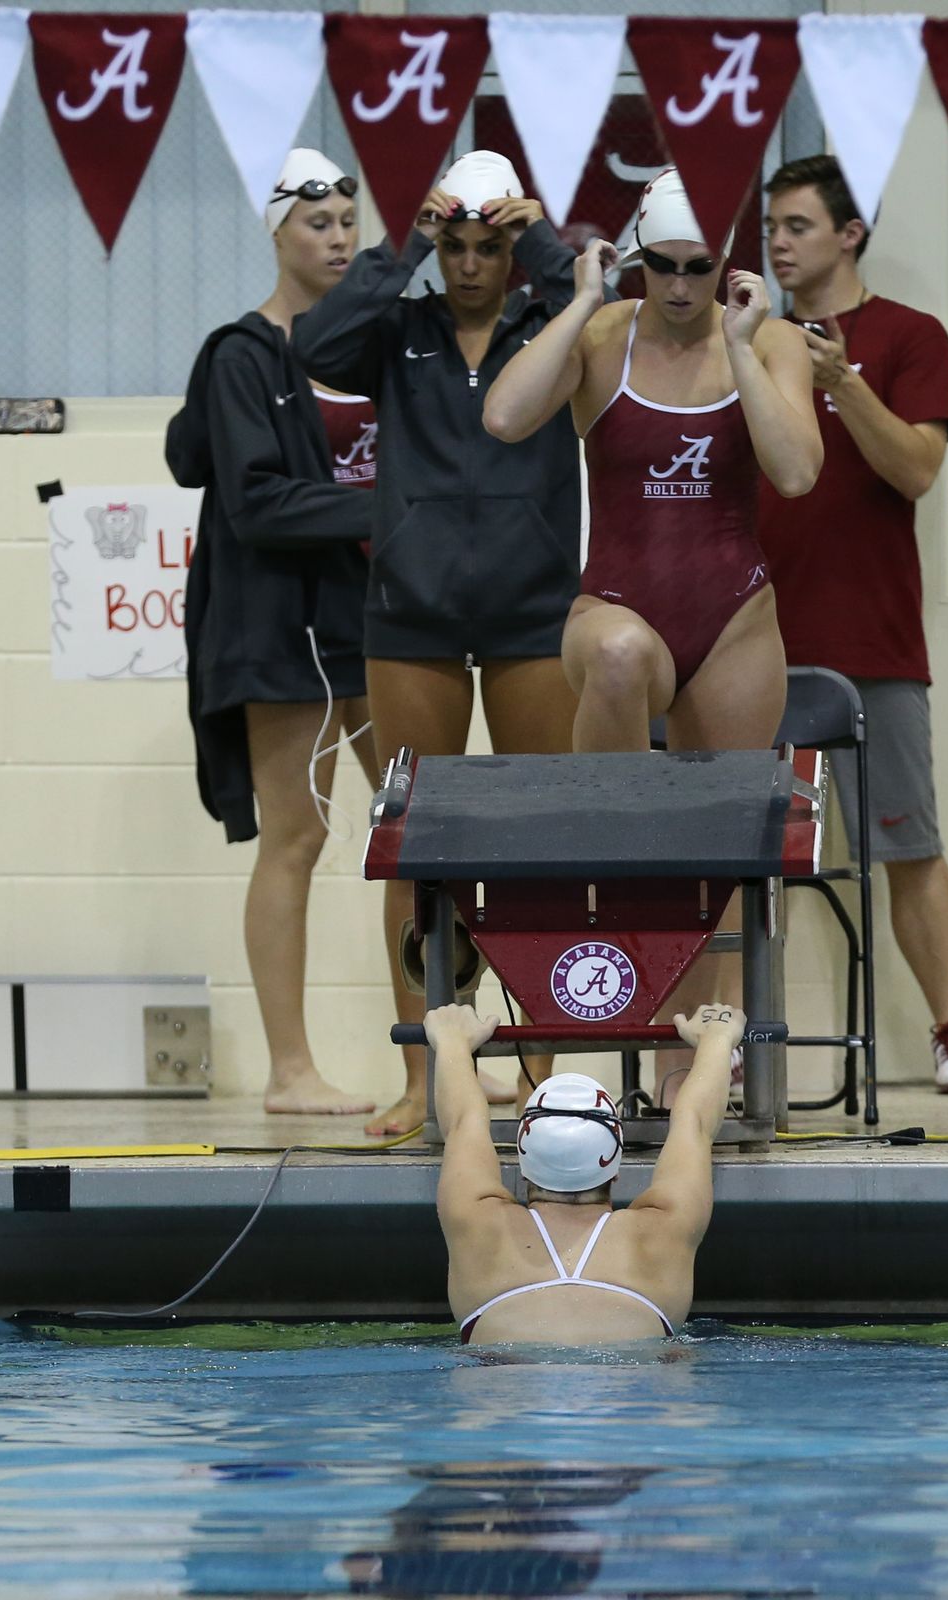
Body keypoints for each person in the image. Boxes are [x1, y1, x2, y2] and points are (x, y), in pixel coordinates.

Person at [483, 168, 820, 1100]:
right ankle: (616, 892)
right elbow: (506, 416)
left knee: (721, 853)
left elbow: (794, 473)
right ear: (637, 261)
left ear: (727, 265)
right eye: (660, 268)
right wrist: (584, 295)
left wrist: (745, 347)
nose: (677, 288)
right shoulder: (601, 335)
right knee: (625, 666)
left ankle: (686, 1064)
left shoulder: (776, 339)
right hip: (618, 607)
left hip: (735, 613)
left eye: (697, 268)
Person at [294, 151, 589, 1137]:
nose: (467, 265)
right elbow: (313, 346)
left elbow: (608, 310)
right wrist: (393, 247)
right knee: (415, 851)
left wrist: (542, 243)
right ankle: (424, 1078)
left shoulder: (550, 328)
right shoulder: (398, 328)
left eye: (487, 246)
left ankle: (543, 1071)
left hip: (531, 610)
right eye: (453, 246)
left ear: (510, 248)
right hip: (411, 613)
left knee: (540, 849)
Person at [754, 155, 948, 1097]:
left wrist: (843, 382)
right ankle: (727, 1039)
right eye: (772, 225)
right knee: (739, 856)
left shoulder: (907, 337)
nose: (778, 241)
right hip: (749, 644)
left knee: (908, 844)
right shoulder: (747, 338)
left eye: (799, 225)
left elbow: (916, 471)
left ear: (850, 235)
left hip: (872, 640)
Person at [165, 149, 378, 1116]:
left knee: (425, 839)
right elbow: (252, 502)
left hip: (377, 620)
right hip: (279, 626)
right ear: (277, 231)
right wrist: (390, 511)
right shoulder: (245, 356)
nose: (337, 239)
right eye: (317, 224)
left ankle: (442, 1053)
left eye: (348, 223)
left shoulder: (376, 345)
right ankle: (290, 1068)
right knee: (297, 835)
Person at [428, 1001, 744, 1345]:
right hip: (635, 1384)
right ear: (615, 1167)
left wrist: (452, 1041)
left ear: (522, 1162)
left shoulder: (478, 1222)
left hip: (508, 1382)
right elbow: (693, 1123)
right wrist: (717, 1038)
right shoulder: (662, 1229)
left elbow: (463, 1122)